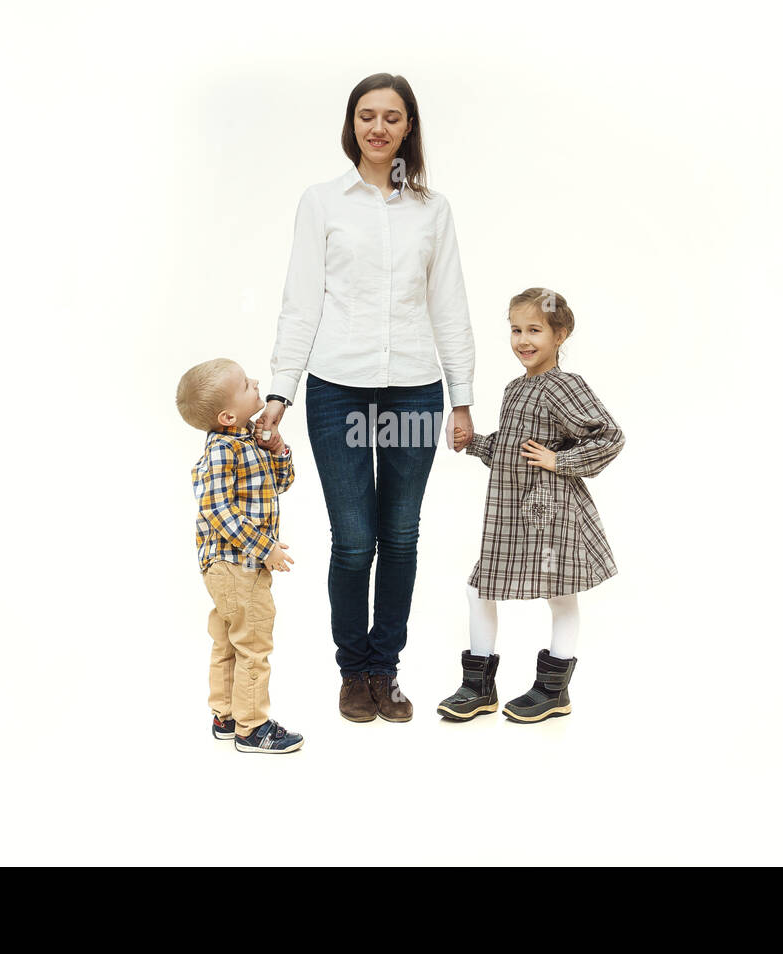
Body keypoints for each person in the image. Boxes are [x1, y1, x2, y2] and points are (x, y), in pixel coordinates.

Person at [256, 73, 476, 723]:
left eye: (392, 117)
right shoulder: (322, 203)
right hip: (337, 393)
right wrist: (278, 392)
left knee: (400, 536)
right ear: (351, 124)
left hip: (412, 393)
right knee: (354, 541)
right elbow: (301, 302)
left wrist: (461, 396)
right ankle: (353, 672)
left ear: (409, 128)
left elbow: (450, 306)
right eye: (366, 116)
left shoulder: (432, 210)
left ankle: (388, 669)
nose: (378, 128)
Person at [440, 288, 625, 723]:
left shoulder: (566, 385)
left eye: (534, 330)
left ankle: (553, 690)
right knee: (479, 587)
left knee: (560, 594)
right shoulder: (515, 387)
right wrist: (474, 444)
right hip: (510, 513)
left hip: (552, 510)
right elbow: (512, 449)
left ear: (560, 335)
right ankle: (478, 687)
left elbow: (610, 436)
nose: (523, 340)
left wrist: (561, 460)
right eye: (516, 330)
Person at [177, 357, 303, 753]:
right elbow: (215, 509)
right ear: (228, 415)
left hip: (239, 565)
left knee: (230, 640)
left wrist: (277, 446)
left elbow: (281, 484)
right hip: (235, 565)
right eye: (247, 384)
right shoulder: (221, 452)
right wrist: (264, 548)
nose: (256, 383)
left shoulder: (248, 440)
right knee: (254, 643)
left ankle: (226, 715)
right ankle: (253, 728)